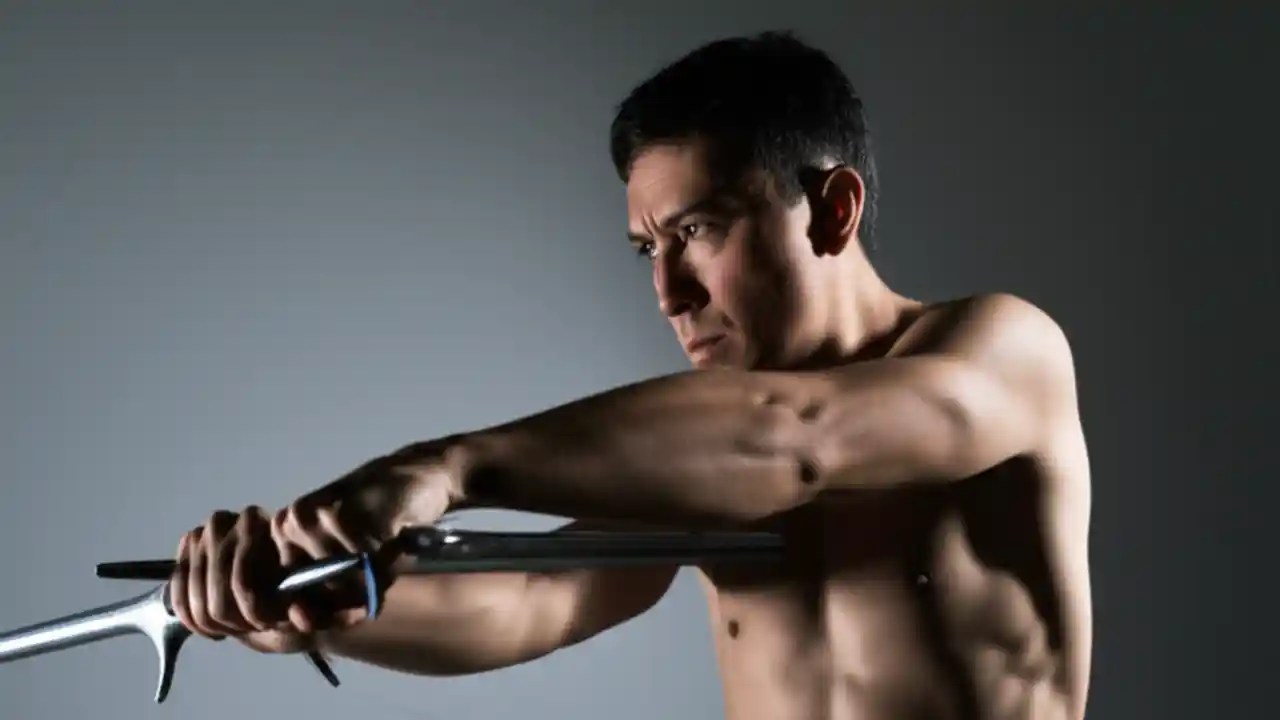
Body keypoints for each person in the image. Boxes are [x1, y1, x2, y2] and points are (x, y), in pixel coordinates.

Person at [168, 31, 1092, 720]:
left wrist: (449, 467)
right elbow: (539, 598)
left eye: (696, 232)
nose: (667, 292)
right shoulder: (697, 460)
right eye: (645, 249)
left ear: (832, 210)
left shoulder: (1004, 354)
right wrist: (313, 611)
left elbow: (797, 438)